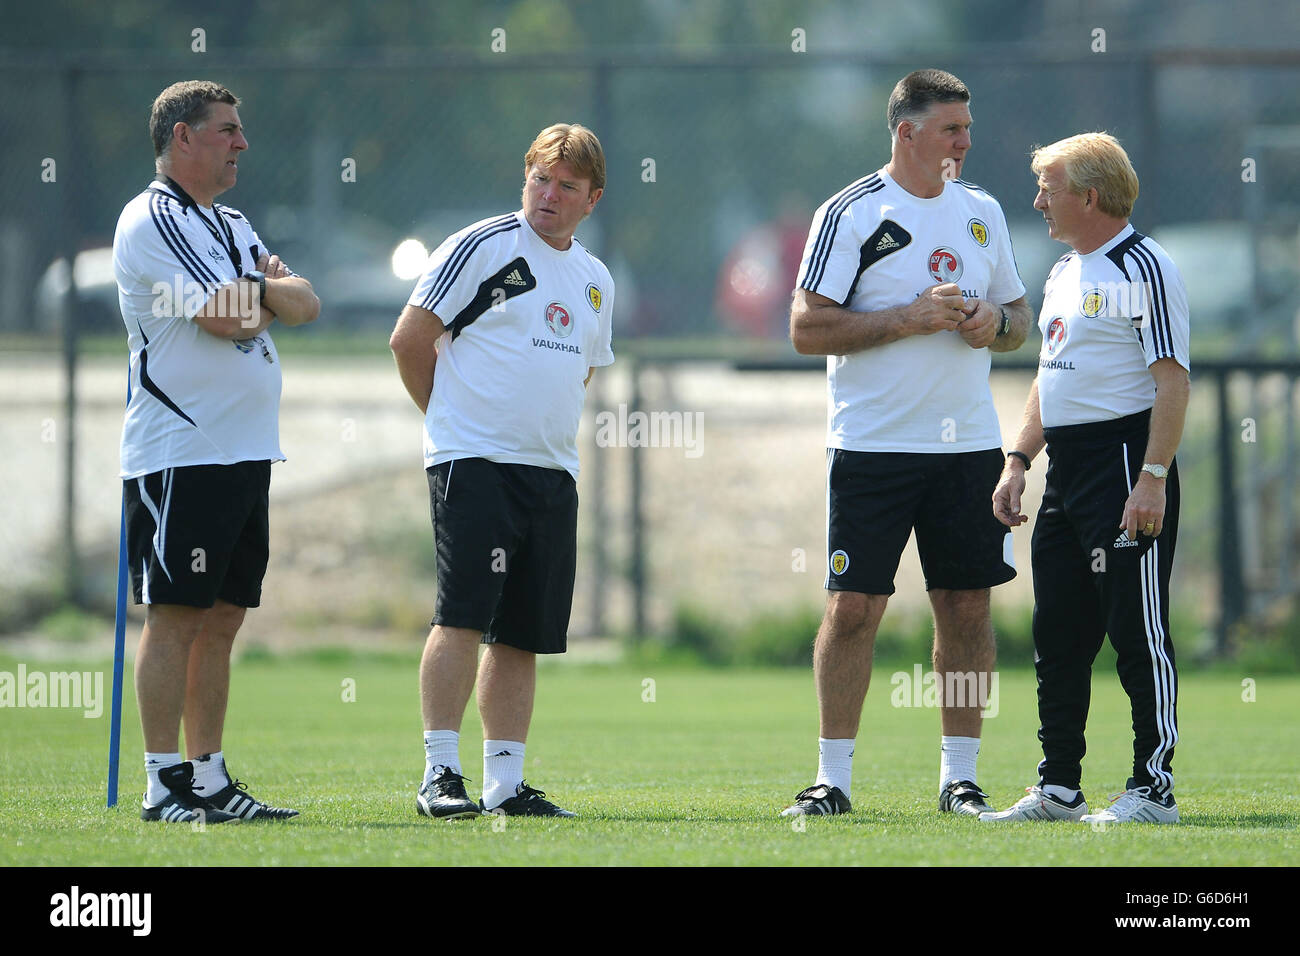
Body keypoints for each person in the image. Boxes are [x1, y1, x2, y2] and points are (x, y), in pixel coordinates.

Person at [783, 69, 1033, 818]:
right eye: (952, 128)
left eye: (967, 126)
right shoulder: (852, 212)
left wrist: (996, 323)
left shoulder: (983, 211)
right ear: (908, 132)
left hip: (967, 452)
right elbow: (805, 327)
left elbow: (1021, 317)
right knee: (853, 609)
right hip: (872, 447)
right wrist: (907, 318)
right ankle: (833, 780)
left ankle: (960, 779)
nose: (965, 140)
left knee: (965, 609)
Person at [390, 123, 614, 819]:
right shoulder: (482, 245)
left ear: (591, 200)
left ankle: (505, 785)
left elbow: (579, 372)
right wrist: (451, 425)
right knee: (461, 617)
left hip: (551, 472)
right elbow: (409, 340)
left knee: (522, 633)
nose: (549, 195)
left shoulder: (596, 280)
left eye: (566, 186)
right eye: (540, 179)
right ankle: (439, 775)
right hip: (474, 463)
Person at [114, 80, 320, 824]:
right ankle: (161, 782)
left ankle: (209, 777)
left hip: (245, 450)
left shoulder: (230, 222)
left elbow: (307, 303)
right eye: (227, 130)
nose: (241, 143)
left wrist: (262, 295)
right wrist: (264, 297)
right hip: (183, 451)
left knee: (224, 617)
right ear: (181, 139)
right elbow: (226, 316)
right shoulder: (153, 218)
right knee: (174, 614)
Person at [984, 133, 1189, 824]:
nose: (1038, 200)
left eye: (1050, 188)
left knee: (1138, 633)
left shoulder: (1145, 265)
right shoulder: (1063, 272)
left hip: (1127, 464)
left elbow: (1171, 382)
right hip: (1067, 474)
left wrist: (1152, 477)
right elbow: (1050, 376)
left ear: (1089, 196)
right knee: (1060, 636)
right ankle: (1059, 788)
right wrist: (1018, 460)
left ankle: (1151, 788)